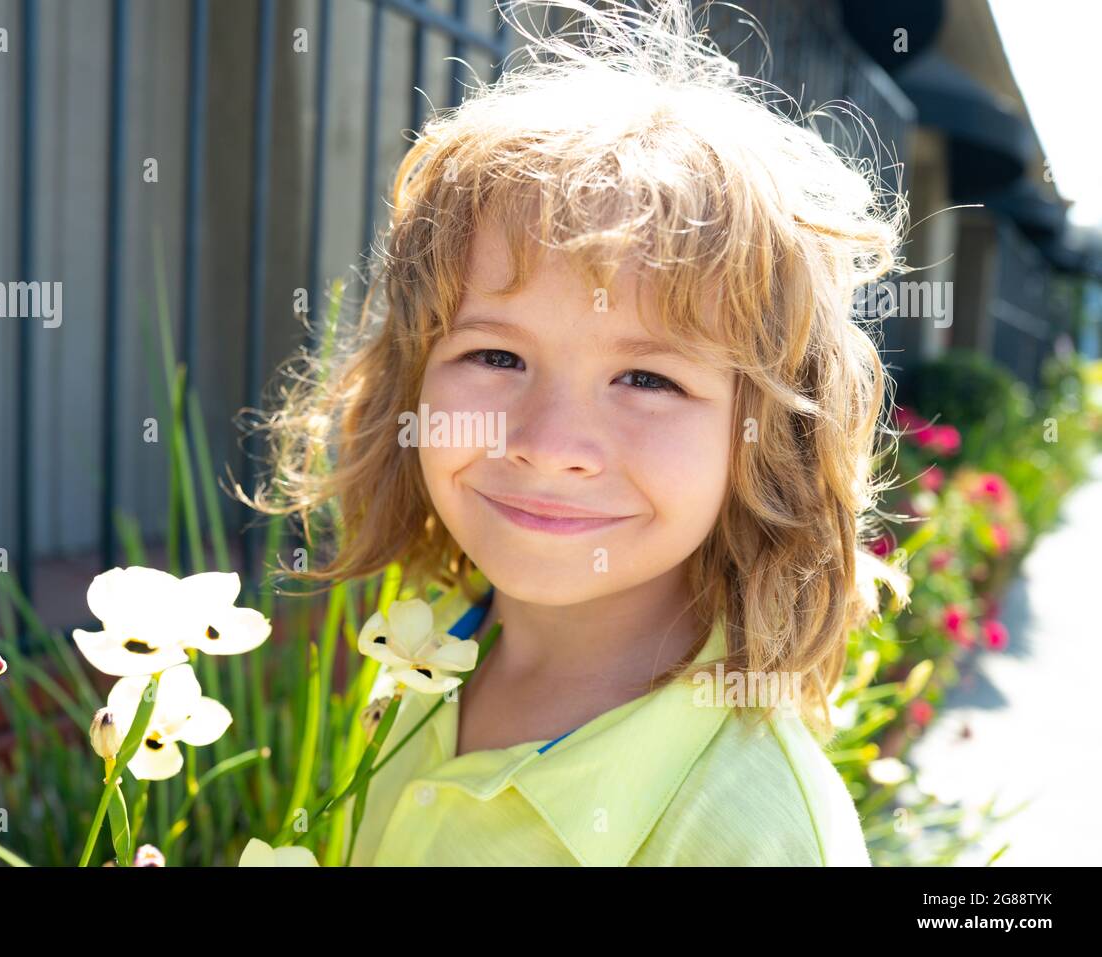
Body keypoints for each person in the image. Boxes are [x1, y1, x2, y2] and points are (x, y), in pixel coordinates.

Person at [242, 0, 911, 865]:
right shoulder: (433, 652)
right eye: (495, 355)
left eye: (647, 378)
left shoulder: (753, 827)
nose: (549, 441)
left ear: (769, 441)